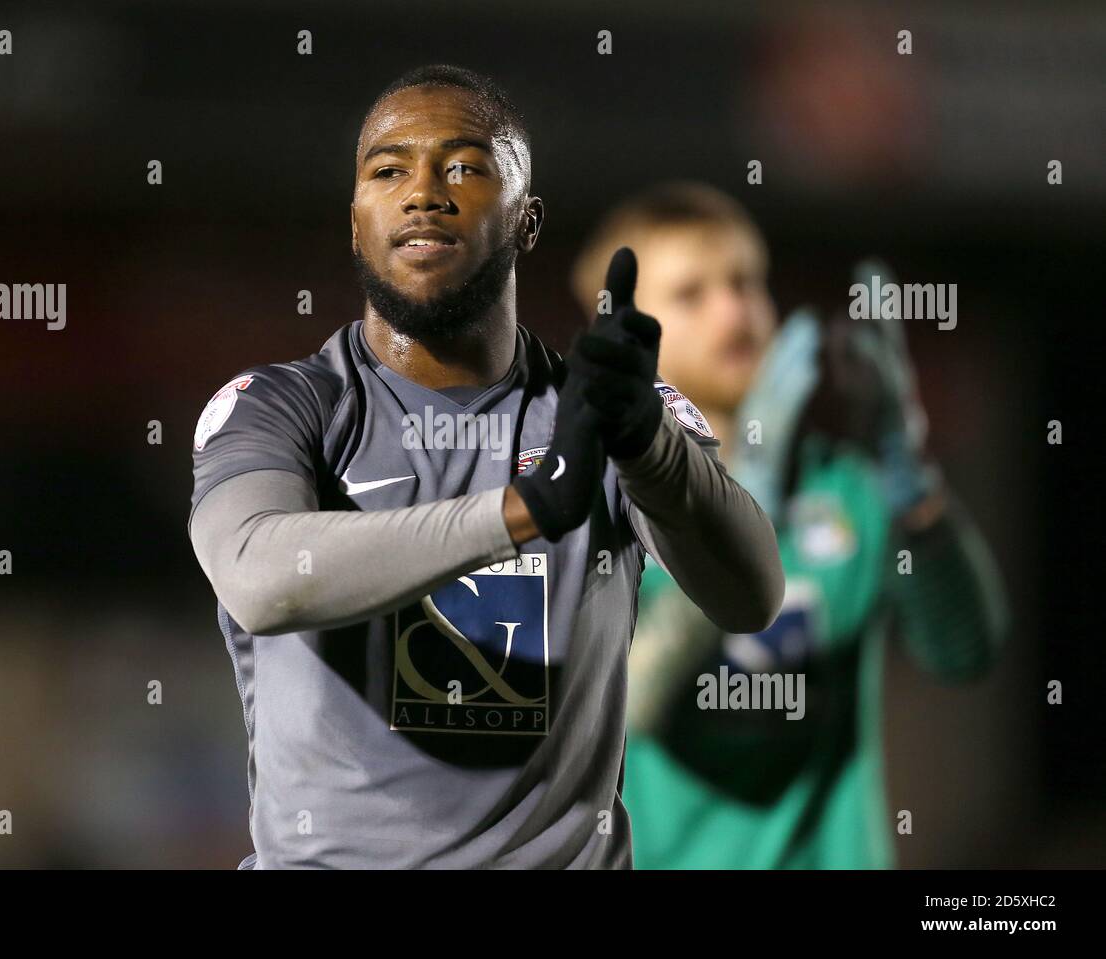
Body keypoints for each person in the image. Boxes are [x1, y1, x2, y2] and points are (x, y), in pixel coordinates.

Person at [187, 69, 783, 869]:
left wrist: (647, 444)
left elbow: (750, 593)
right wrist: (524, 508)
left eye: (465, 166)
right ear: (357, 224)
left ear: (526, 220)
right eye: (388, 170)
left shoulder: (609, 410)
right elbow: (261, 579)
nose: (422, 194)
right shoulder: (280, 407)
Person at [570, 182, 1009, 868]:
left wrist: (909, 479)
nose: (733, 310)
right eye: (691, 294)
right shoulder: (590, 507)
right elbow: (625, 710)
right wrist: (741, 512)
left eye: (746, 282)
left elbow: (967, 652)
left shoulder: (843, 489)